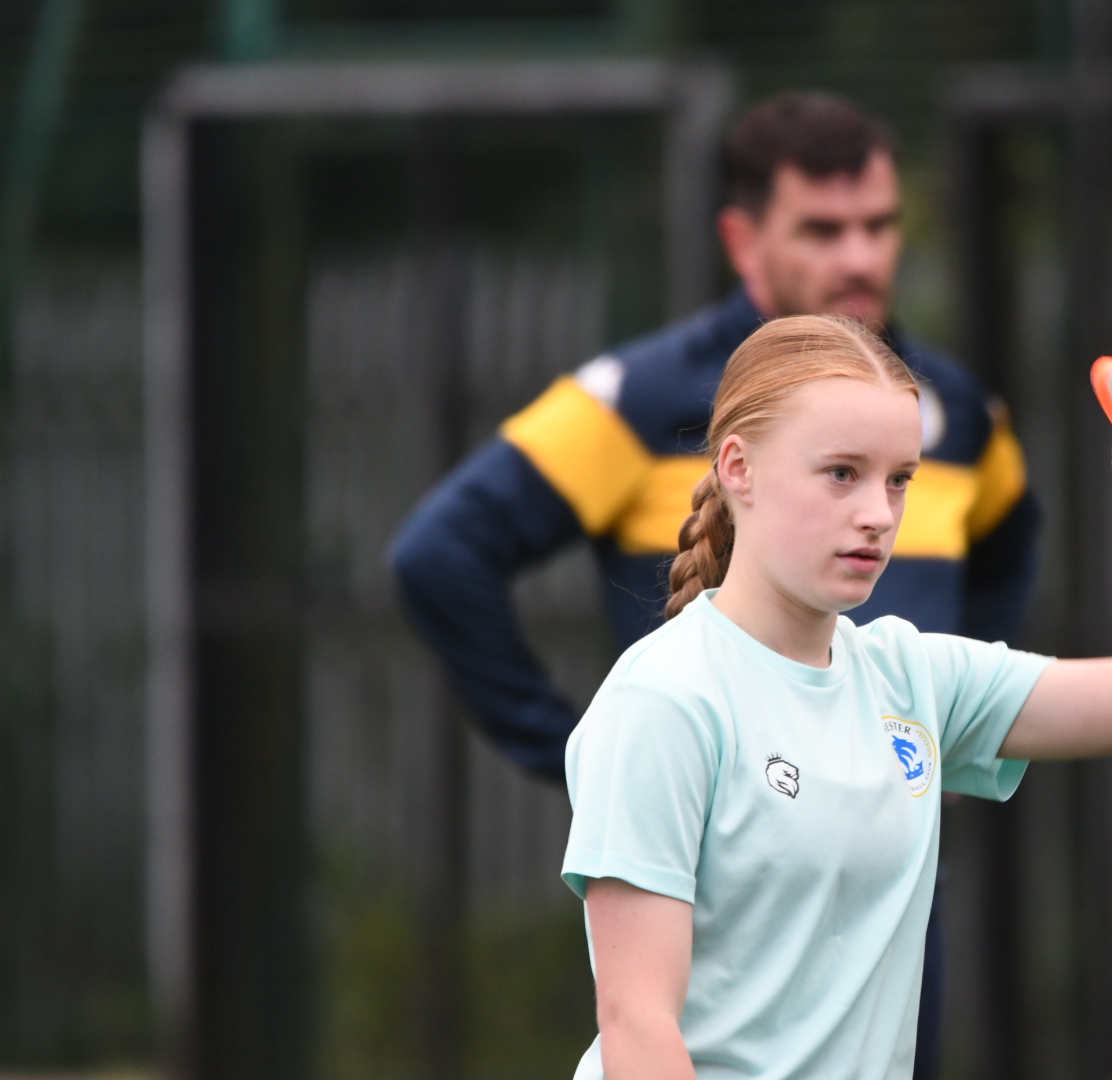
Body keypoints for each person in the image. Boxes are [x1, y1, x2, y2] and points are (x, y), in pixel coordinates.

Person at [390, 92, 1040, 1077]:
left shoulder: (953, 412)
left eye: (879, 225)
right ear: (742, 239)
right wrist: (567, 748)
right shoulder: (646, 399)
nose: (860, 258)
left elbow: (1007, 558)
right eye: (822, 229)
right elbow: (439, 556)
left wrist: (936, 737)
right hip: (730, 887)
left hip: (881, 879)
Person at [563, 314, 1112, 1080]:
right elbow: (638, 1029)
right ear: (738, 468)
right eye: (841, 473)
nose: (878, 513)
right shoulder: (664, 698)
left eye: (899, 478)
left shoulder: (911, 679)